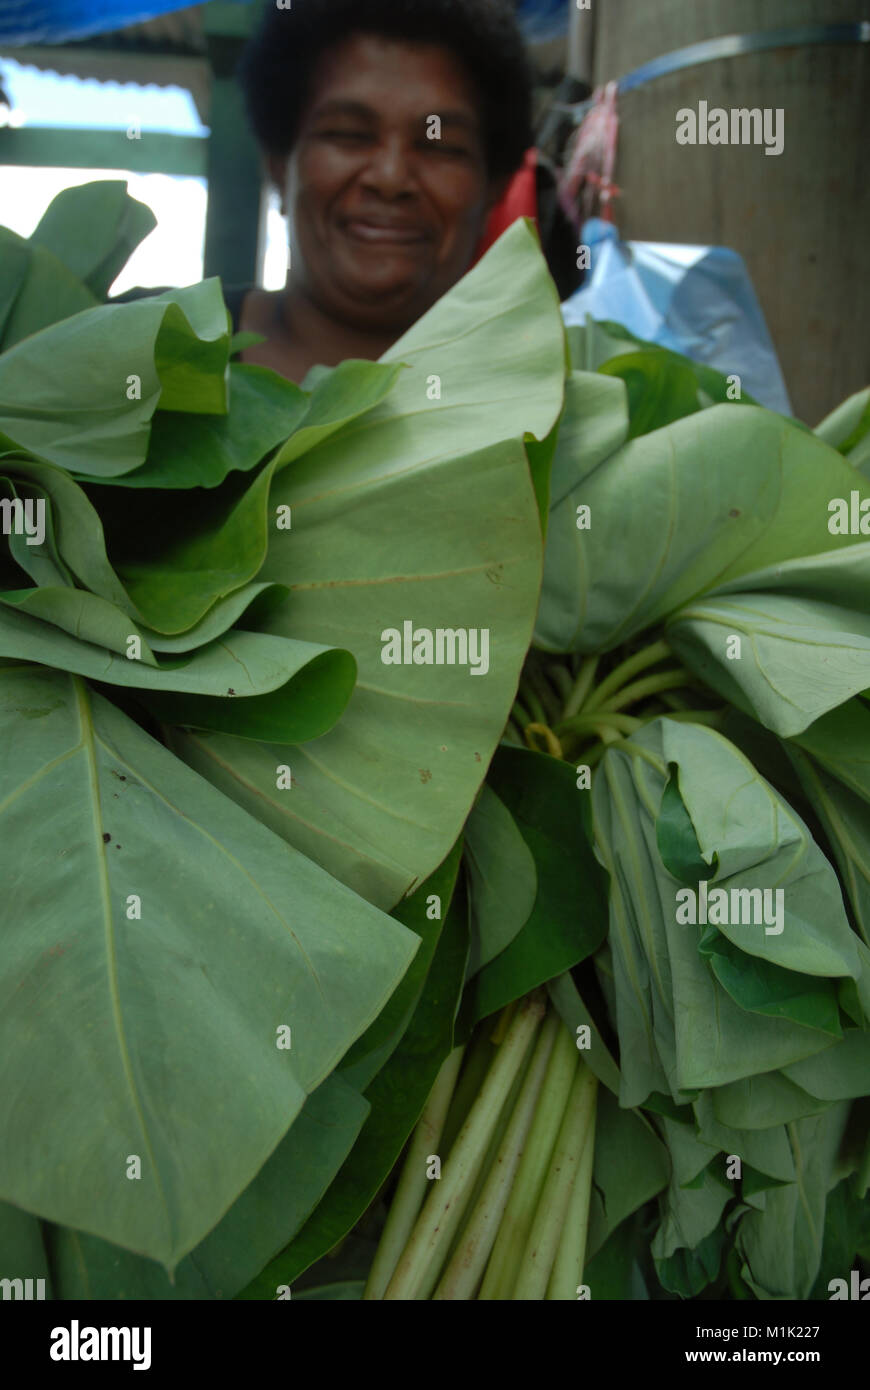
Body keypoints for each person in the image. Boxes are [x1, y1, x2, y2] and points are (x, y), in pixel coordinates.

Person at [231, 0, 537, 383]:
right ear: (278, 167)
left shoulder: (551, 415)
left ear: (495, 186)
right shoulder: (146, 348)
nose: (391, 179)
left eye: (440, 145)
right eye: (349, 135)